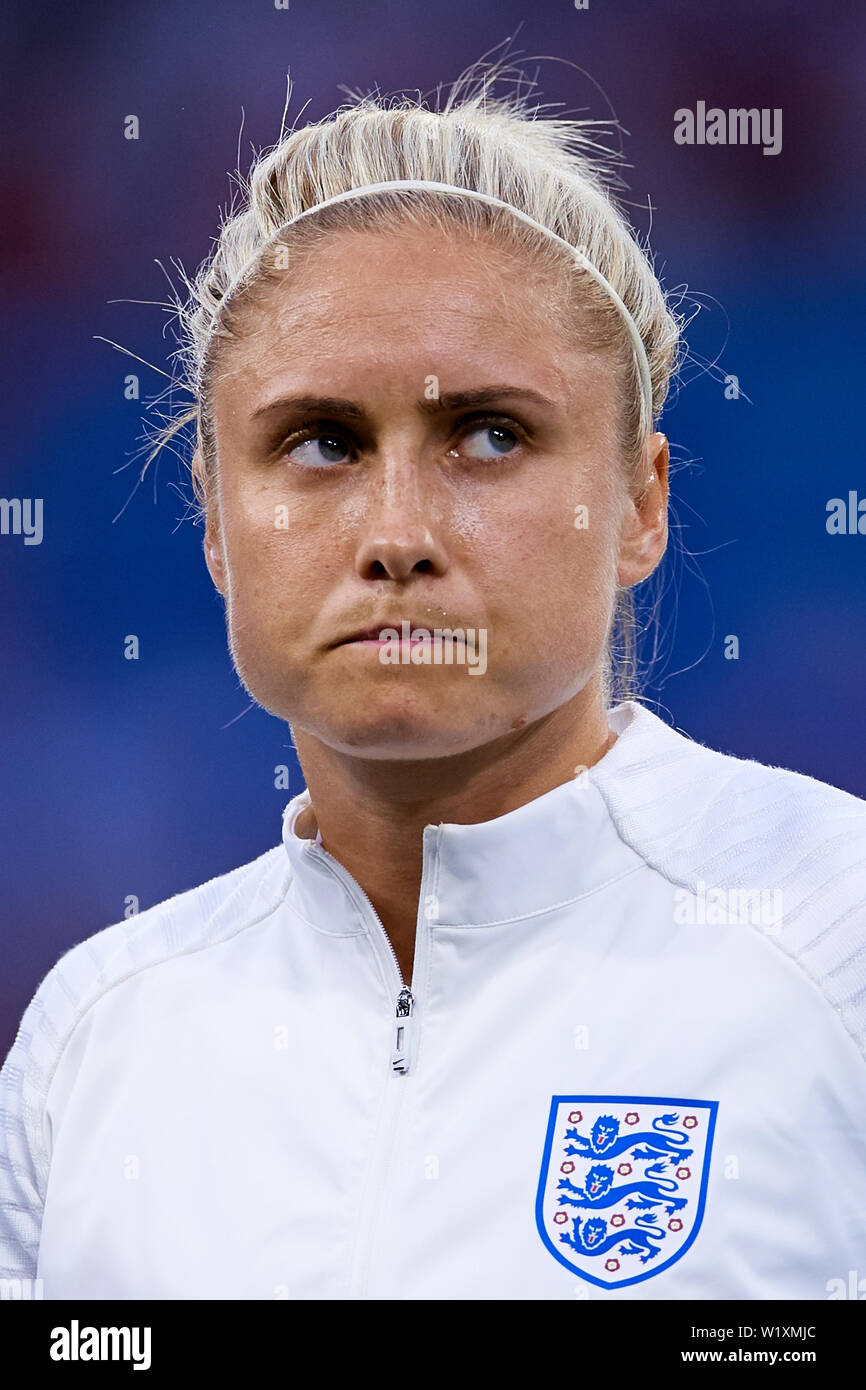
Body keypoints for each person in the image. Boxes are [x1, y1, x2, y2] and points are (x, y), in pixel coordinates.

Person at [1, 69, 864, 1302]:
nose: (395, 533)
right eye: (319, 442)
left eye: (490, 433)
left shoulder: (835, 936)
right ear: (209, 520)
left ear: (638, 502)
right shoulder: (93, 1043)